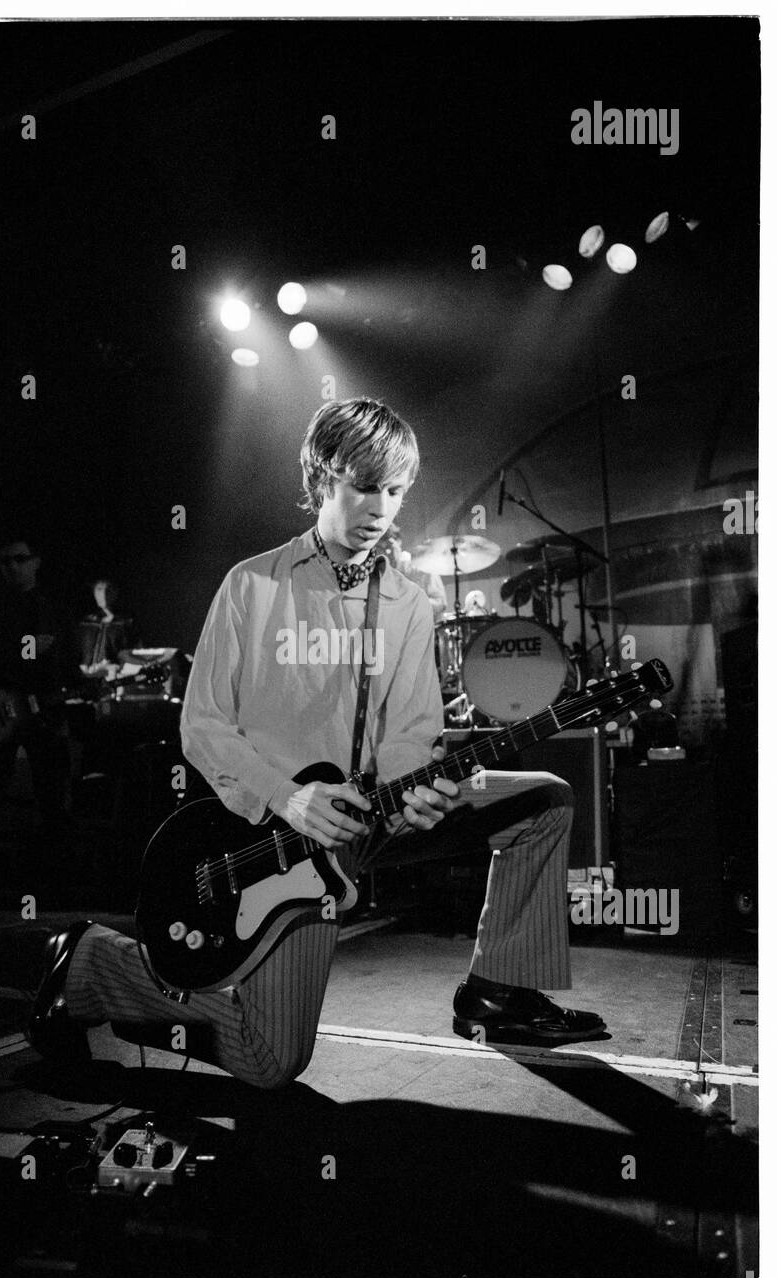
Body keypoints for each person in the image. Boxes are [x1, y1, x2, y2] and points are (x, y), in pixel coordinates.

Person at [31, 399, 605, 1087]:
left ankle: (499, 991)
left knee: (544, 800)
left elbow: (414, 728)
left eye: (395, 491)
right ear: (322, 477)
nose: (381, 508)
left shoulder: (410, 604)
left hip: (373, 816)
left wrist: (412, 791)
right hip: (284, 842)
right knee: (270, 1060)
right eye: (365, 486)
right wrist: (289, 796)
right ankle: (93, 962)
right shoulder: (251, 585)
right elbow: (204, 725)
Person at [0, 537, 73, 889]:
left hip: (42, 711)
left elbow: (54, 656)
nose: (11, 566)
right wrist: (25, 652)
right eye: (5, 561)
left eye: (19, 559)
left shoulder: (48, 605)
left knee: (51, 794)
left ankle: (51, 880)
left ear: (36, 562)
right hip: (5, 710)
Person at [375, 523, 447, 618]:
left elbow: (440, 603)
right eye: (379, 549)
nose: (385, 553)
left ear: (398, 542)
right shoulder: (378, 575)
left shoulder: (421, 568)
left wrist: (410, 603)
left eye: (387, 547)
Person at [76, 578, 135, 682]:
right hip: (85, 676)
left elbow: (132, 653)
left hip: (114, 677)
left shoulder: (124, 624)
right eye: (99, 589)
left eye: (108, 590)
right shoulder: (86, 624)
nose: (103, 594)